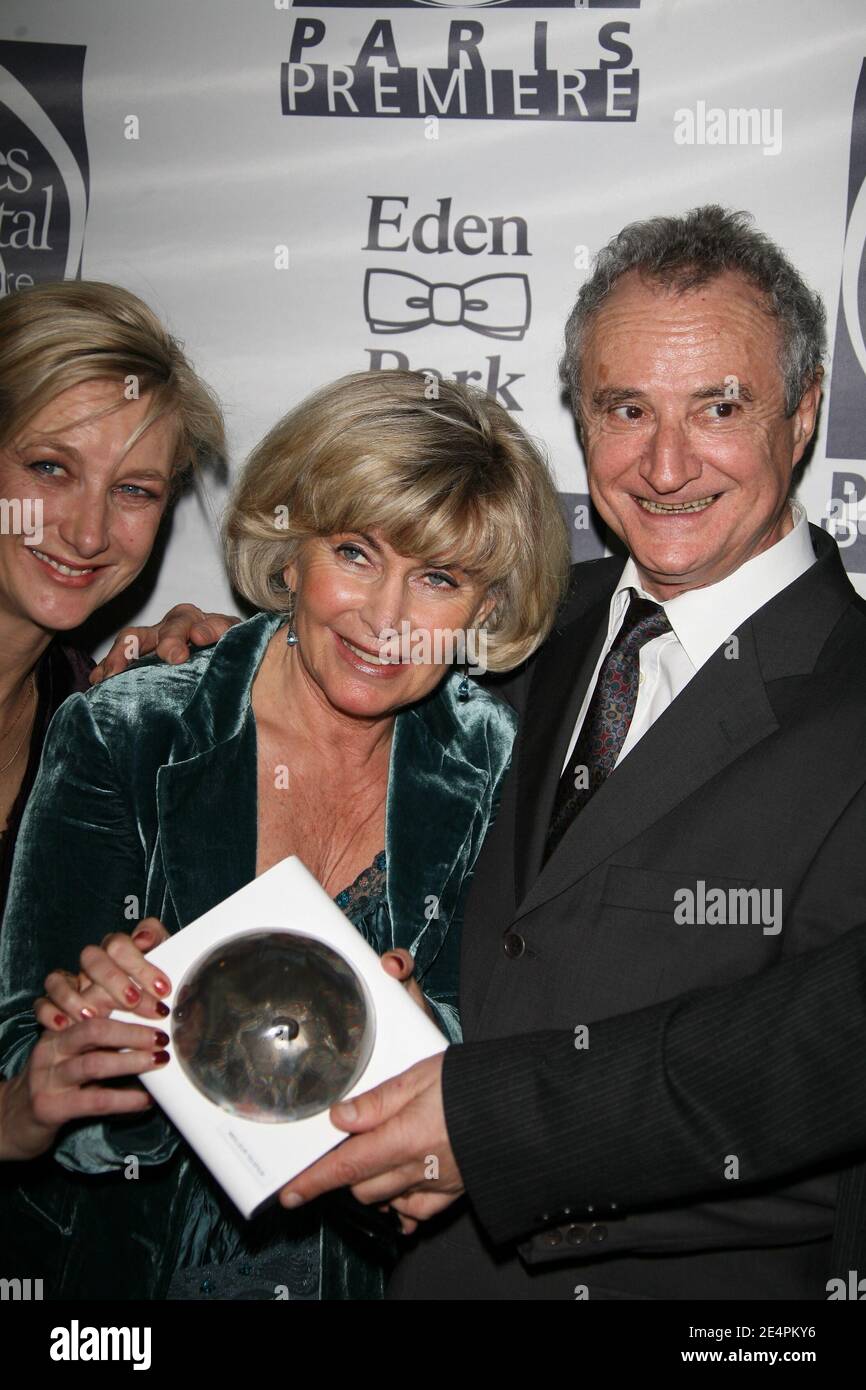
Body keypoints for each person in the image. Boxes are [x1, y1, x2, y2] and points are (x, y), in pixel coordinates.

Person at [282, 206, 866, 1301]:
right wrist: (209, 655)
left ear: (800, 417)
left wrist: (496, 1135)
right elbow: (355, 641)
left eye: (719, 407)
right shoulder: (524, 624)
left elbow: (826, 1086)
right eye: (623, 408)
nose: (663, 462)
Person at [0, 368, 571, 1300]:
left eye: (436, 577)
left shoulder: (492, 760)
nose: (385, 620)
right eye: (355, 553)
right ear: (291, 543)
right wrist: (109, 1050)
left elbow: (482, 1052)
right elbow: (27, 1070)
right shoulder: (129, 730)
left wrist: (425, 1047)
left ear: (486, 609)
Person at [0, 279, 236, 1158]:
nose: (89, 530)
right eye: (50, 468)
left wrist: (241, 686)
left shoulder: (98, 722)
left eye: (133, 490)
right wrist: (11, 1117)